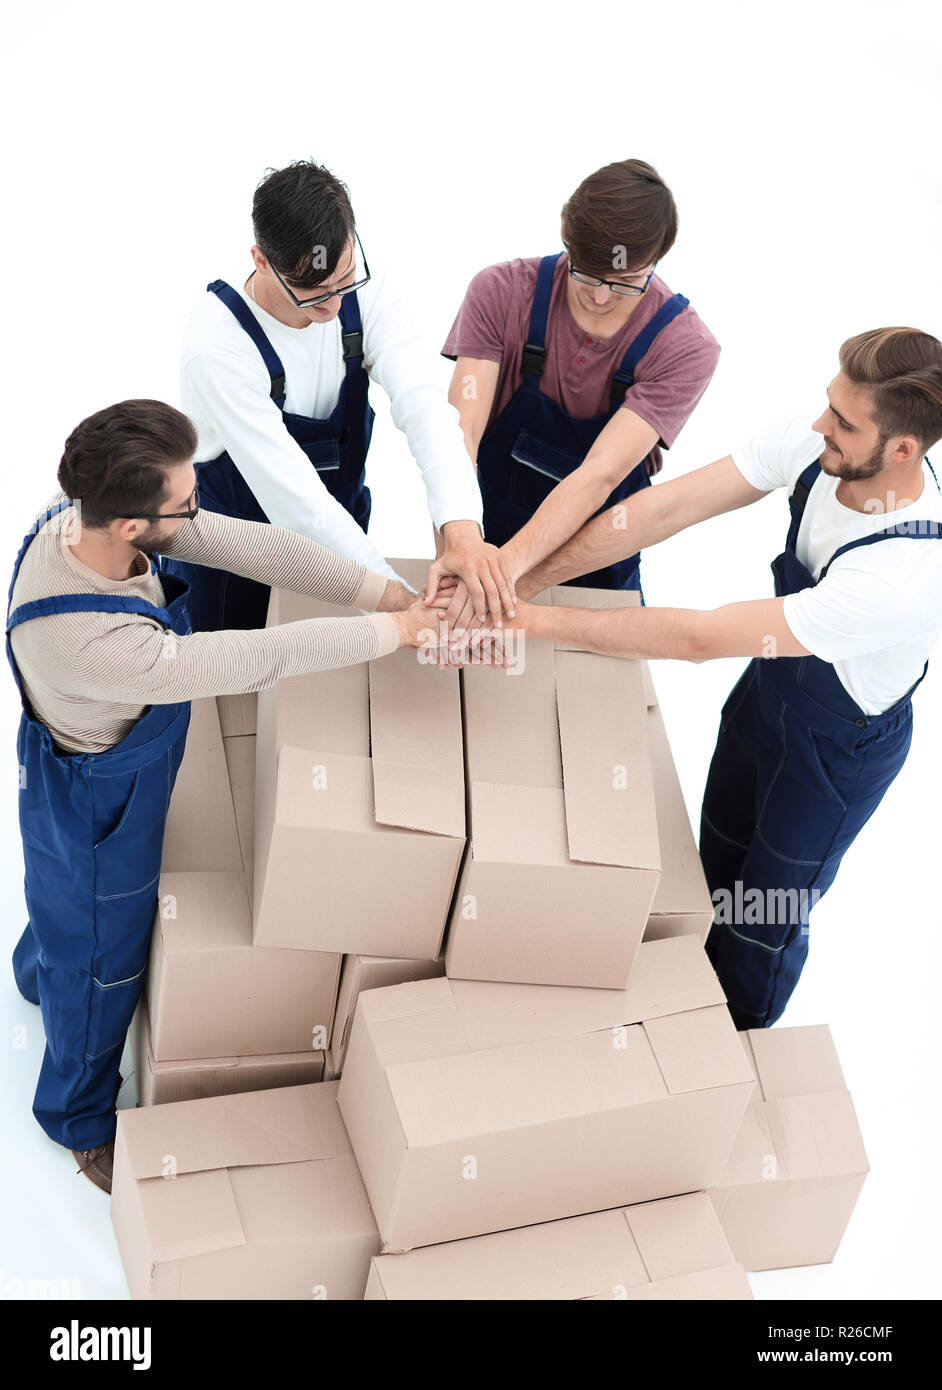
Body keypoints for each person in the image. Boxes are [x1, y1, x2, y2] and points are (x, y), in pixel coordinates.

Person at [7, 400, 444, 1194]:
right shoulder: (92, 643)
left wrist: (384, 596)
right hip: (98, 797)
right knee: (103, 958)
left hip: (90, 754)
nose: (195, 510)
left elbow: (254, 545)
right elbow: (254, 658)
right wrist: (397, 637)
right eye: (183, 502)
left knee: (63, 915)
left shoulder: (78, 516)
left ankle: (37, 973)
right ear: (133, 525)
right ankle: (75, 1119)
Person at [446, 328, 942, 1028]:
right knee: (711, 861)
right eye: (829, 404)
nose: (818, 426)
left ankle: (727, 1049)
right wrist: (516, 580)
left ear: (902, 451)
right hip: (772, 691)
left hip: (838, 752)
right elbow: (662, 508)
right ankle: (675, 1005)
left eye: (844, 423)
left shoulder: (903, 576)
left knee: (762, 919)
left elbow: (702, 637)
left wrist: (526, 622)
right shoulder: (817, 449)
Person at [166, 159, 513, 635]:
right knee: (227, 705)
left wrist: (463, 532)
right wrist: (399, 600)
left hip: (342, 558)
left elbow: (425, 409)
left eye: (345, 279)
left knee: (324, 703)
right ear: (262, 260)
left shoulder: (364, 293)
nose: (333, 303)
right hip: (233, 571)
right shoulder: (216, 346)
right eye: (313, 291)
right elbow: (298, 502)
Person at [429, 158, 719, 631]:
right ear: (564, 227)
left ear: (659, 257)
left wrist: (497, 586)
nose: (601, 297)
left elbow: (599, 476)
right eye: (587, 273)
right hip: (478, 542)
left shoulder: (684, 346)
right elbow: (459, 438)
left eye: (624, 281)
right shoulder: (500, 293)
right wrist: (459, 549)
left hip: (595, 573)